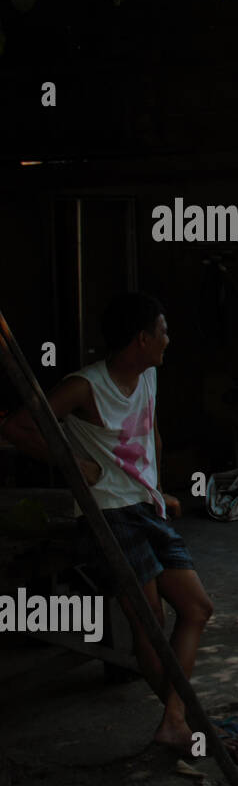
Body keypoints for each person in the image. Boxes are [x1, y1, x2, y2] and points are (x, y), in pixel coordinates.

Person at [1, 293, 215, 753]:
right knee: (150, 621)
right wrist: (72, 462)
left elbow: (150, 433)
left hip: (146, 507)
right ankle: (176, 721)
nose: (168, 339)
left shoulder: (150, 376)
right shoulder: (84, 385)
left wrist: (160, 488)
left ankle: (174, 717)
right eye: (162, 331)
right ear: (141, 339)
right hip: (107, 514)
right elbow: (17, 426)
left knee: (197, 608)